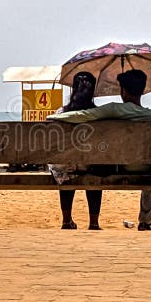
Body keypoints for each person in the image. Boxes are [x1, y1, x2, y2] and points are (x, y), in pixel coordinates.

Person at [48, 69, 151, 231]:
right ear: (143, 90)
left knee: (95, 162)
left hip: (122, 166)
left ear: (122, 91)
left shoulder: (114, 110)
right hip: (147, 167)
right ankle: (145, 220)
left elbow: (83, 115)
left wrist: (54, 117)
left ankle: (68, 220)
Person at [49, 71, 103, 230]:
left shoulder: (60, 113)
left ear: (73, 89)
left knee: (65, 166)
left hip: (64, 169)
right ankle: (94, 222)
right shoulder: (98, 115)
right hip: (88, 167)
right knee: (95, 168)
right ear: (92, 91)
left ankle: (66, 220)